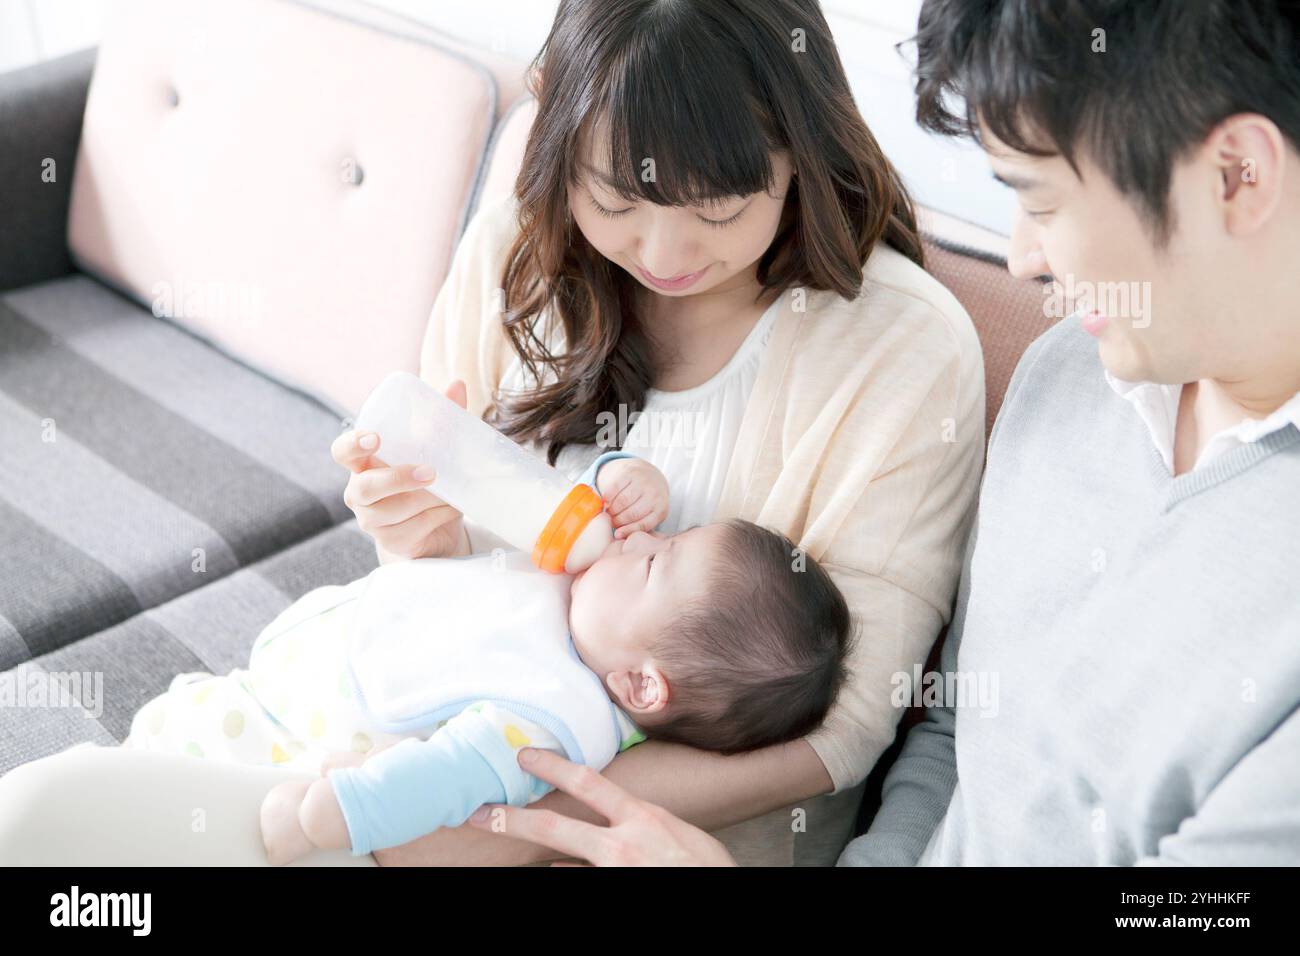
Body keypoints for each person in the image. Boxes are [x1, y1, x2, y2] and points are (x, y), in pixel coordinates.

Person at [0, 0, 982, 867]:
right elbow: (443, 551)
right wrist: (413, 528)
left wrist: (497, 805)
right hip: (386, 727)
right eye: (619, 201)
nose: (665, 253)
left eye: (719, 208)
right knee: (56, 820)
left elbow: (840, 732)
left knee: (55, 819)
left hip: (594, 825)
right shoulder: (528, 239)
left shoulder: (902, 351)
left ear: (798, 149)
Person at [450, 0, 1300, 867]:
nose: (1020, 259)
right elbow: (954, 736)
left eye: (1041, 200)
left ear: (1237, 174)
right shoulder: (1068, 380)